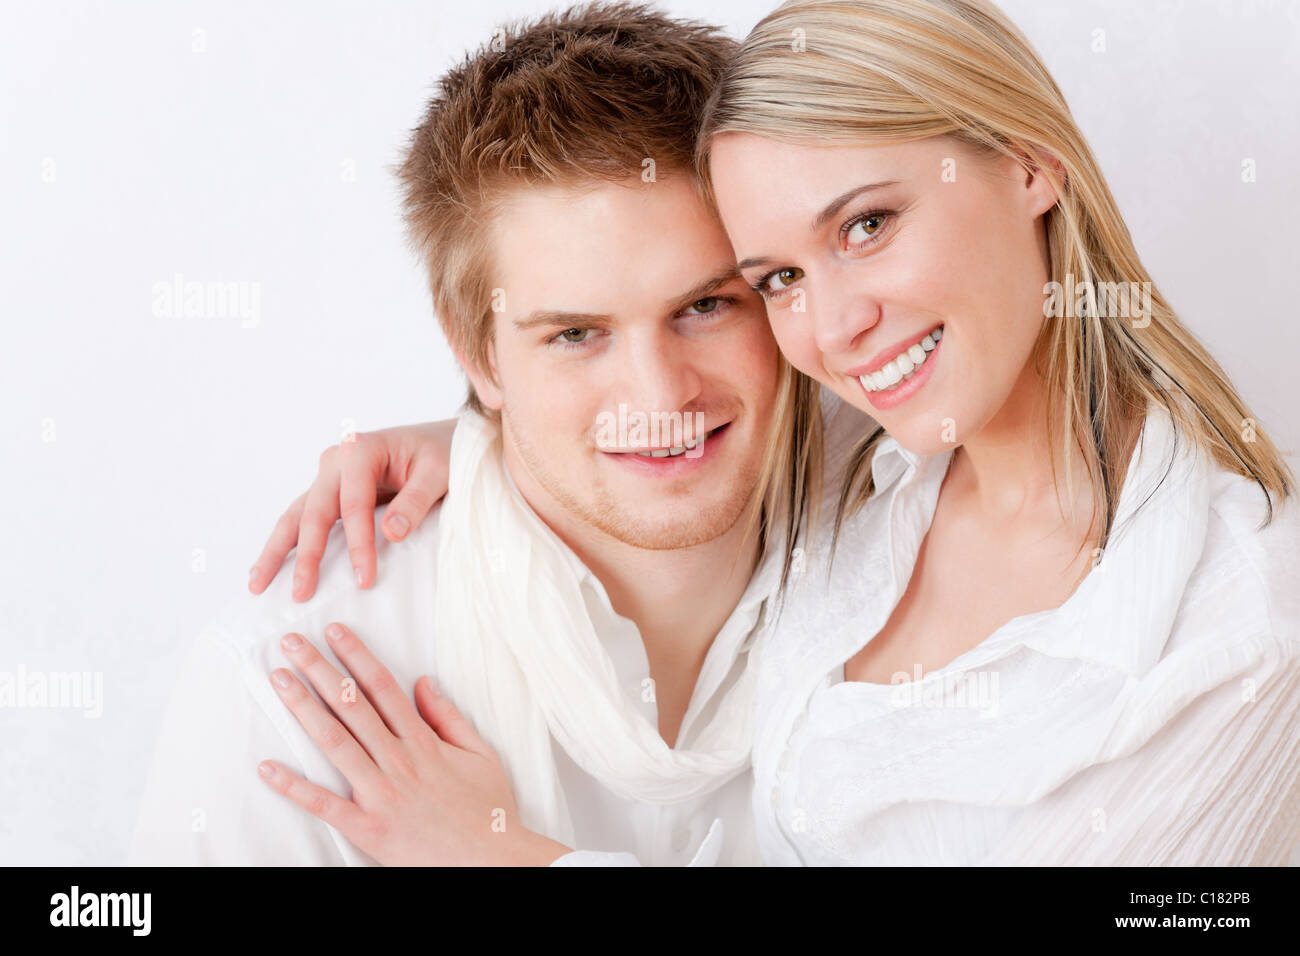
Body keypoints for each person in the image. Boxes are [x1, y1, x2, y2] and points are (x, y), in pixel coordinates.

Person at [271, 0, 1300, 865]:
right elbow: (672, 398)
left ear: (1028, 161)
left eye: (867, 225)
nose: (837, 325)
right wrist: (496, 429)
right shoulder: (877, 464)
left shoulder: (1241, 622)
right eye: (778, 280)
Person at [127, 2, 864, 867]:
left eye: (705, 306)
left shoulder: (914, 549)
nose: (658, 392)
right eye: (575, 335)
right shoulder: (297, 692)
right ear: (477, 352)